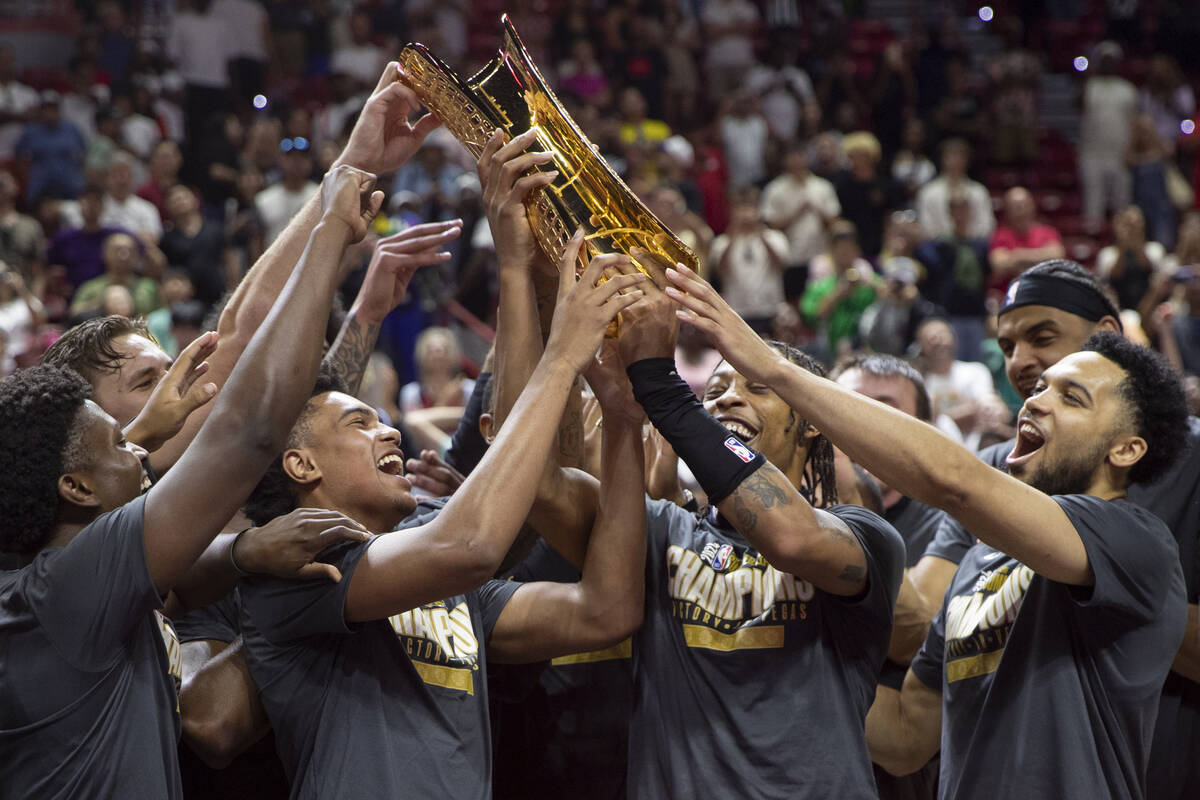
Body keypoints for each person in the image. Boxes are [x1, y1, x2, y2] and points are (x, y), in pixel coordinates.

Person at [665, 260, 1190, 798]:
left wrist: (777, 372)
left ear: (1125, 450)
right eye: (1041, 389)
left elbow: (956, 482)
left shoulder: (1135, 541)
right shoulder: (981, 560)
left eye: (1071, 398)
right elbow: (906, 734)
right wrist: (764, 651)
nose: (1035, 400)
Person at [236, 130, 648, 799]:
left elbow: (607, 611)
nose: (389, 428)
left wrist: (623, 421)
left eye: (379, 417)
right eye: (359, 422)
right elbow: (469, 546)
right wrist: (561, 356)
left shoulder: (438, 564)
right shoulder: (299, 566)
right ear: (301, 465)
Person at [0, 156, 389, 797]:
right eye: (122, 441)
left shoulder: (40, 580)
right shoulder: (73, 582)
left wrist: (241, 553)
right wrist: (328, 236)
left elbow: (175, 581)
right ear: (76, 486)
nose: (142, 448)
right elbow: (251, 426)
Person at [497, 228, 904, 797]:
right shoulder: (661, 531)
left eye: (756, 388)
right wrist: (528, 283)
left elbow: (792, 538)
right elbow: (534, 483)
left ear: (810, 423)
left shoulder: (867, 538)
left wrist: (664, 390)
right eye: (714, 391)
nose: (728, 398)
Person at [905, 259, 1200, 799]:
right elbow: (921, 618)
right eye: (1007, 346)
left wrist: (1122, 597)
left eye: (1042, 338)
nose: (1019, 364)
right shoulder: (997, 471)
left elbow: (953, 481)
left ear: (1107, 335)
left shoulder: (1184, 469)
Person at [760, 141, 841, 276]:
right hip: (790, 258)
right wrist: (797, 212)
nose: (796, 161)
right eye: (792, 157)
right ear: (785, 160)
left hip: (821, 256)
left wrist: (817, 209)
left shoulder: (822, 186)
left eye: (800, 156)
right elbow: (771, 225)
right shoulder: (774, 189)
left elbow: (835, 222)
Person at [916, 138, 995, 241]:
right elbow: (925, 227)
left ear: (967, 160)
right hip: (938, 245)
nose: (956, 160)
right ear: (942, 159)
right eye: (951, 155)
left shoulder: (979, 192)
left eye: (960, 156)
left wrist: (965, 234)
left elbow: (987, 226)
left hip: (973, 244)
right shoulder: (929, 192)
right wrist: (949, 237)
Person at [988, 186, 1065, 291]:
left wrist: (1017, 256)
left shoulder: (1047, 232)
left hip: (1044, 291)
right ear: (1007, 210)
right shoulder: (1000, 235)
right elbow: (999, 264)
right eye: (1015, 206)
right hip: (1011, 293)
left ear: (1032, 206)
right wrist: (1040, 259)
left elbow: (1057, 256)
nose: (1021, 210)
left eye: (1024, 205)